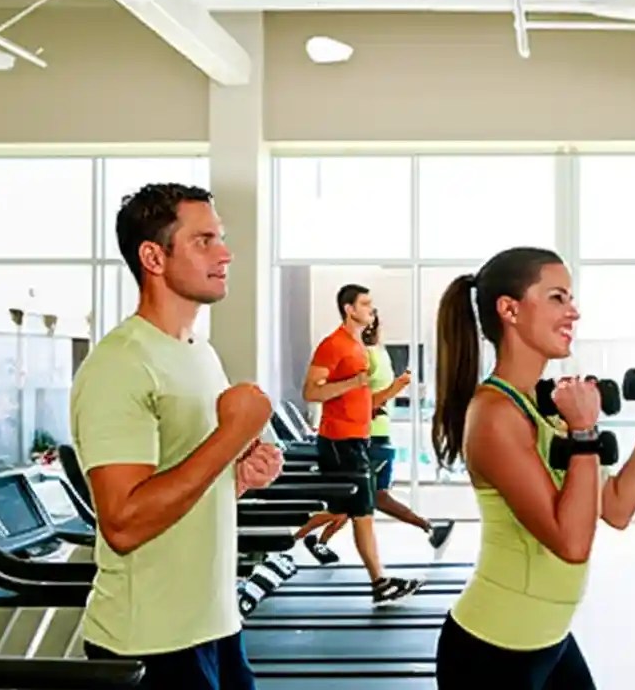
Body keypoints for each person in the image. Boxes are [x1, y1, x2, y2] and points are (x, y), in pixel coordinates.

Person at [430, 246, 635, 688]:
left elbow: (616, 508)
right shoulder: (494, 415)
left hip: (549, 639)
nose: (574, 312)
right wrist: (583, 432)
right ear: (509, 309)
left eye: (571, 299)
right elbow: (571, 542)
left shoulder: (543, 406)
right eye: (557, 298)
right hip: (492, 652)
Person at [69, 182, 284, 690]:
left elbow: (186, 484)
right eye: (203, 240)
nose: (225, 253)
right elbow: (122, 523)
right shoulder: (121, 363)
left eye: (221, 238)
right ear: (154, 257)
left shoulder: (198, 352)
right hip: (151, 643)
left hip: (215, 625)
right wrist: (230, 437)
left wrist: (238, 479)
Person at [292, 283, 423, 604]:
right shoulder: (333, 345)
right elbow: (310, 392)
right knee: (362, 511)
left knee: (341, 511)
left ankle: (280, 540)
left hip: (357, 439)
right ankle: (379, 583)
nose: (371, 310)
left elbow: (365, 401)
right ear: (349, 309)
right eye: (365, 304)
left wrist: (394, 389)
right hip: (340, 441)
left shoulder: (359, 348)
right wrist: (352, 382)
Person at [362, 309, 456, 558]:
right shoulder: (377, 355)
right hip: (375, 434)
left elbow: (367, 402)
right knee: (366, 498)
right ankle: (431, 528)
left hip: (372, 435)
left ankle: (431, 527)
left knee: (367, 497)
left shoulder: (370, 355)